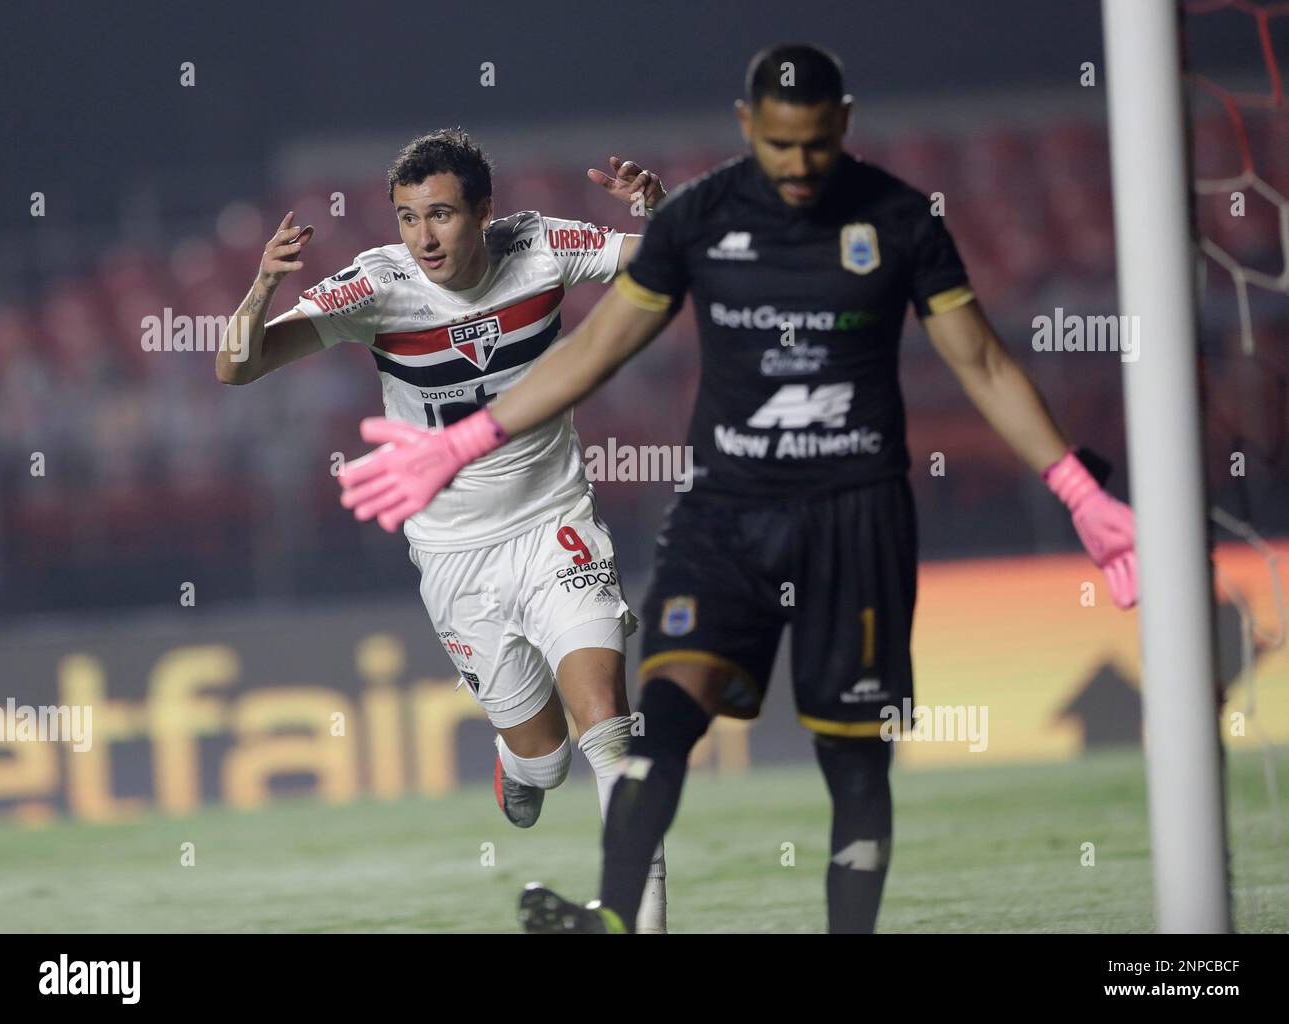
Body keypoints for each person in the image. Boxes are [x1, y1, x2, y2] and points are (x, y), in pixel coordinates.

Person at [338, 47, 1138, 934]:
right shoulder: (706, 217)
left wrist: (1075, 485)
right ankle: (617, 917)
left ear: (844, 123)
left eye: (815, 143)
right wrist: (468, 443)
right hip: (724, 512)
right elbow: (599, 346)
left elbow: (981, 358)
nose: (797, 165)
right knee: (654, 720)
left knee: (854, 765)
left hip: (856, 513)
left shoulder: (903, 222)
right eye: (780, 143)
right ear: (747, 127)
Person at [216, 128, 671, 932]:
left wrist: (658, 213)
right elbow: (238, 367)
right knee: (547, 760)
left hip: (553, 522)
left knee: (608, 727)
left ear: (485, 213)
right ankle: (518, 764)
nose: (423, 237)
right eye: (406, 218)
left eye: (441, 215)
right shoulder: (378, 288)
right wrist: (259, 288)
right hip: (456, 555)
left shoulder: (542, 246)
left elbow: (670, 262)